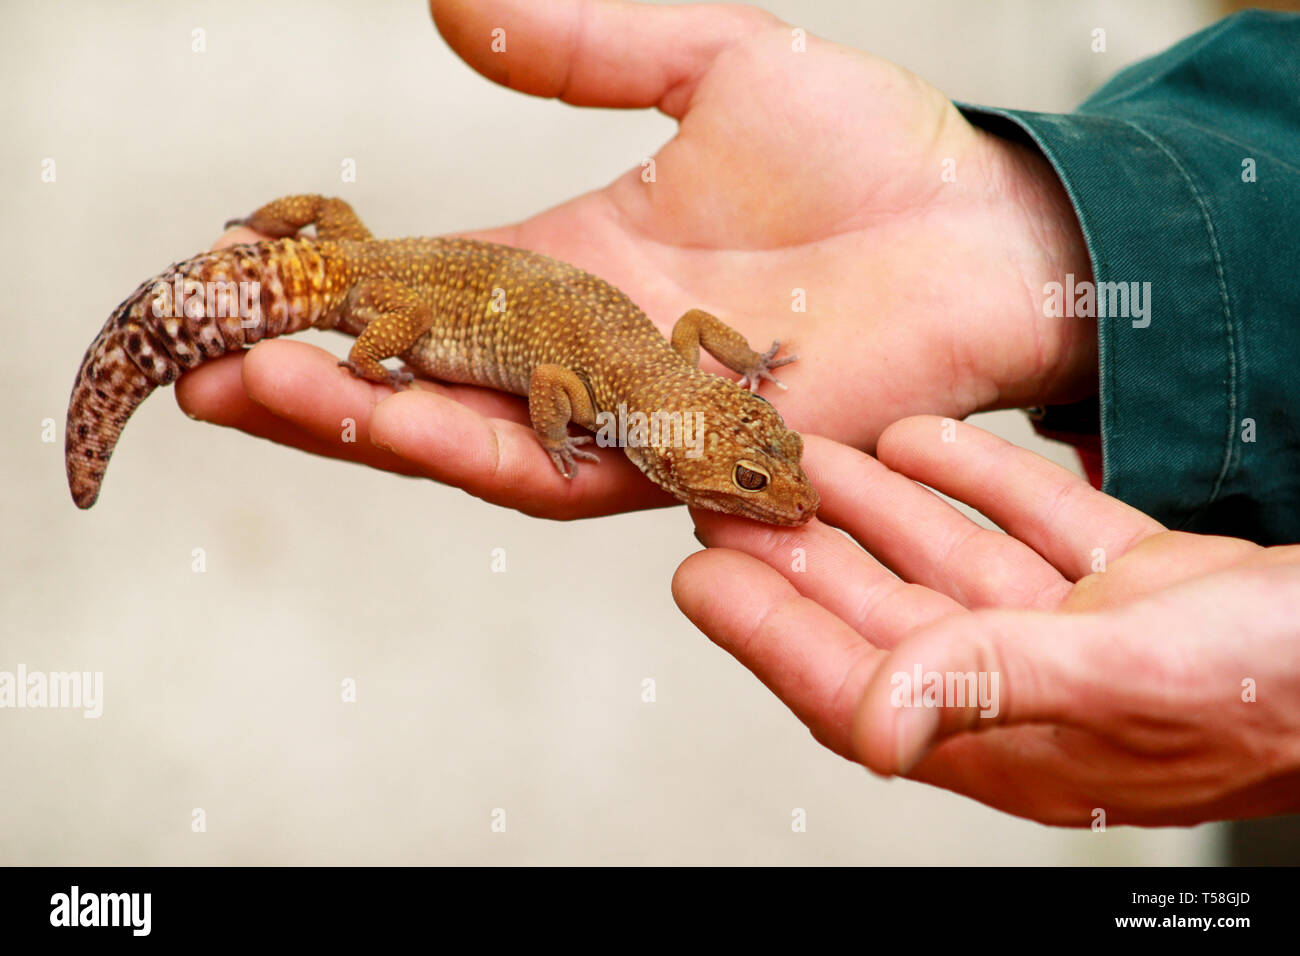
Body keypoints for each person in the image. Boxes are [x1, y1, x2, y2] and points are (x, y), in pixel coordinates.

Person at [183, 1, 1300, 824]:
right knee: (349, 292)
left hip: (408, 271)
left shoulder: (678, 393)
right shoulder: (635, 406)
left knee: (335, 232)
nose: (786, 495)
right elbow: (564, 389)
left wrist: (742, 361)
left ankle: (265, 257)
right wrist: (527, 420)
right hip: (382, 285)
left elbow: (679, 337)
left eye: (761, 471)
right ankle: (271, 274)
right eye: (761, 478)